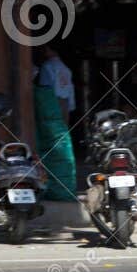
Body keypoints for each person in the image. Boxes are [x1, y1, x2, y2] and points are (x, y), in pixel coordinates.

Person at [32, 46, 78, 201]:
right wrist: (69, 110)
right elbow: (69, 92)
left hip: (51, 106)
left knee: (50, 145)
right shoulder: (65, 68)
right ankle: (63, 186)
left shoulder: (47, 67)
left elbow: (44, 89)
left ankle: (50, 185)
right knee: (62, 143)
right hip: (63, 106)